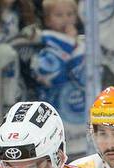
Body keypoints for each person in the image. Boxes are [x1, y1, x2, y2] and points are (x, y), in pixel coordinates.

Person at [31, 0, 88, 156]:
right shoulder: (43, 49)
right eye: (59, 15)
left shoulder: (84, 44)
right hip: (58, 114)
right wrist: (68, 44)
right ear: (47, 20)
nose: (66, 19)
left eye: (70, 14)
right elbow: (51, 76)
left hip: (81, 113)